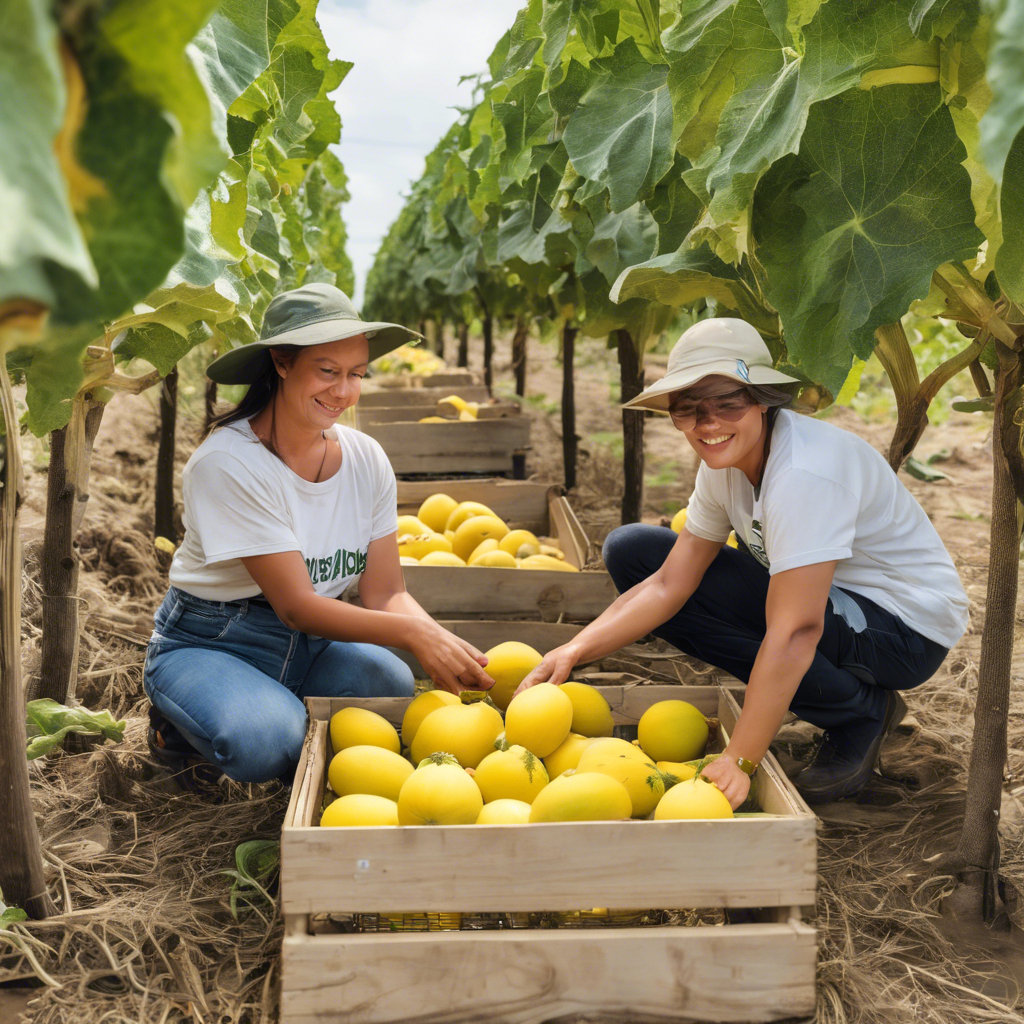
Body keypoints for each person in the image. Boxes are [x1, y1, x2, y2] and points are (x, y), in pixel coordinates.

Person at [518, 318, 968, 807]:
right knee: (634, 553)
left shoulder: (803, 474)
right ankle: (845, 702)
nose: (708, 424)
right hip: (838, 602)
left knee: (785, 624)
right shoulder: (726, 463)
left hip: (905, 629)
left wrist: (741, 757)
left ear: (761, 400)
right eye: (688, 411)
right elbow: (670, 581)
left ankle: (857, 714)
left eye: (727, 404)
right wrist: (575, 649)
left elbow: (796, 629)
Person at [144, 283, 494, 784]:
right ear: (281, 363)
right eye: (327, 371)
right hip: (215, 640)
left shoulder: (365, 458)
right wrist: (417, 635)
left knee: (390, 684)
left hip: (311, 643)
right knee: (270, 742)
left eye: (356, 374)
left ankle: (272, 701)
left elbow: (385, 591)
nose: (343, 392)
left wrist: (440, 640)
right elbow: (296, 606)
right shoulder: (228, 462)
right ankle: (178, 726)